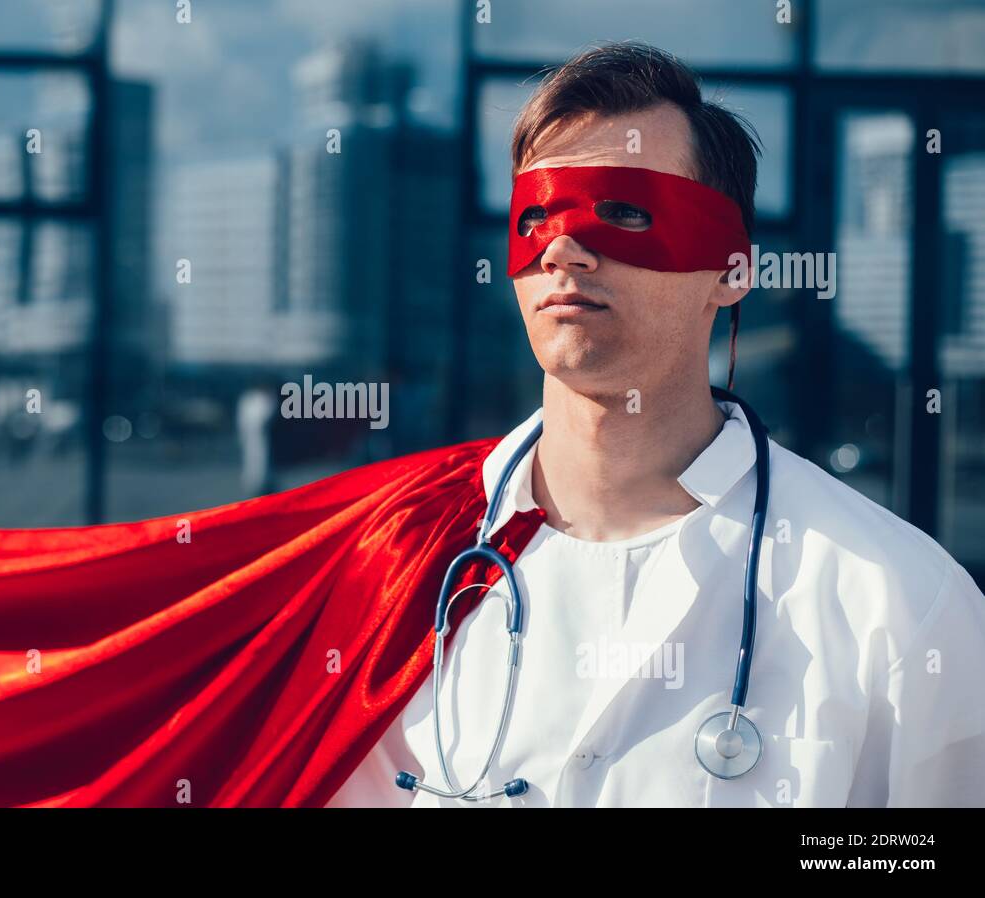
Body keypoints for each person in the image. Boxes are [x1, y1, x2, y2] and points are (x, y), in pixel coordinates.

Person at [325, 42, 985, 808]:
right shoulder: (388, 567)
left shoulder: (897, 603)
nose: (563, 249)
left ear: (733, 270)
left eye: (626, 213)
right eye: (534, 217)